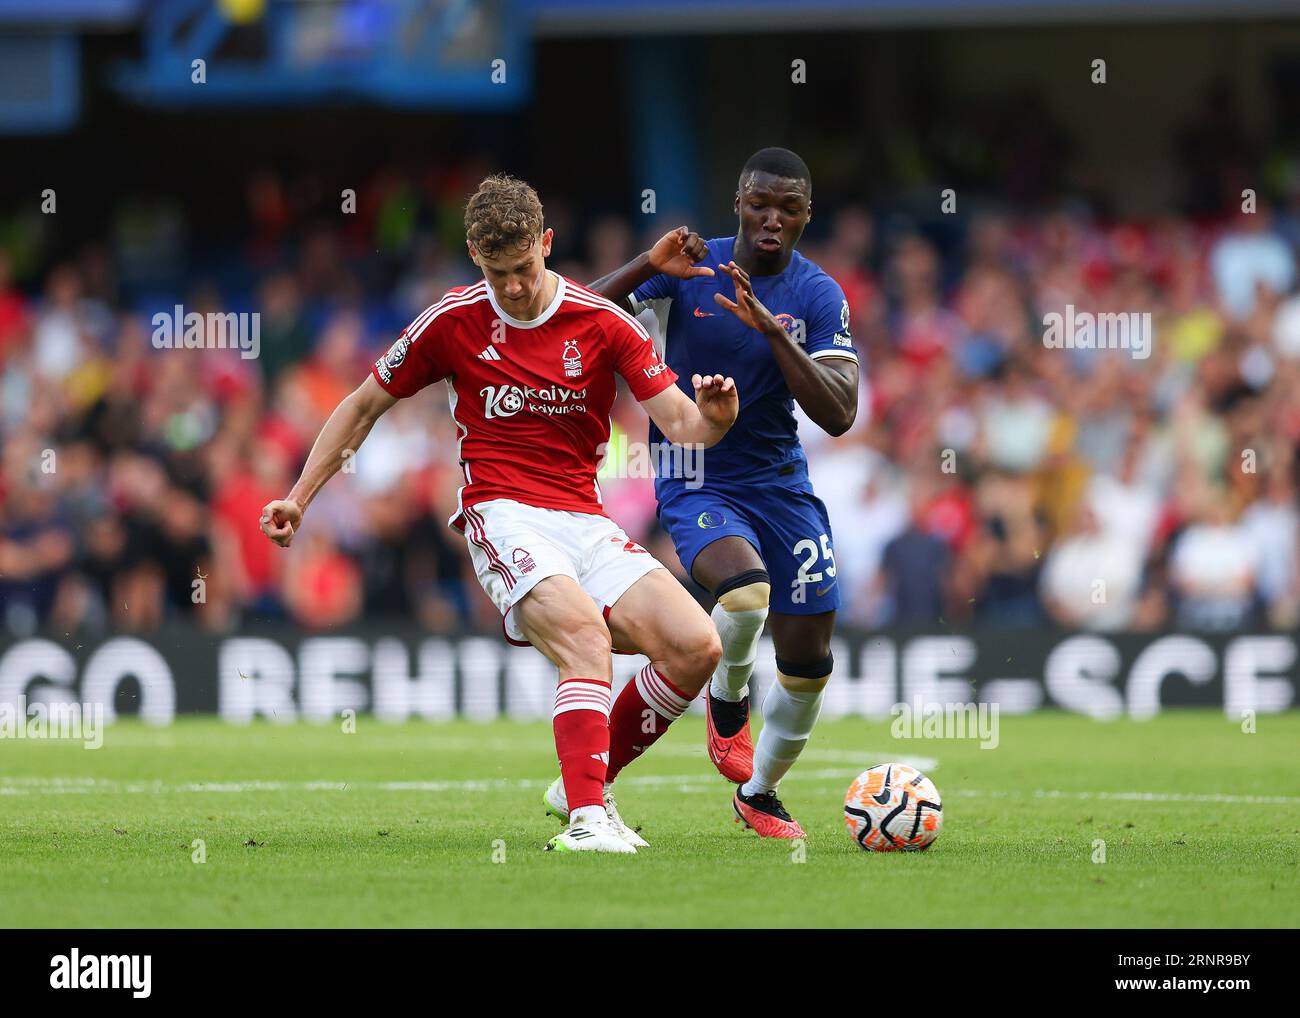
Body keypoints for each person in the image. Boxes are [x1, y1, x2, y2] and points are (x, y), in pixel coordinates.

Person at [259, 175, 739, 854]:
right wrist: (298, 497)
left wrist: (716, 420)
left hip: (584, 520)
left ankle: (584, 783)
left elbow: (683, 423)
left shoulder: (604, 324)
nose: (512, 288)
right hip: (502, 513)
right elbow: (363, 405)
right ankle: (586, 822)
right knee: (586, 641)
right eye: (496, 273)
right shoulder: (450, 321)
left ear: (546, 244)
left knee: (698, 647)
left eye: (523, 269)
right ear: (473, 257)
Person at [590, 148, 859, 837]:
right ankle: (729, 694)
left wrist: (772, 332)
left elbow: (839, 411)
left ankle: (759, 794)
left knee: (807, 667)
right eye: (760, 203)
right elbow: (580, 315)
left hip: (780, 483)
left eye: (788, 208)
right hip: (695, 469)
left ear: (806, 214)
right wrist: (647, 266)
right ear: (738, 200)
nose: (772, 219)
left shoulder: (818, 296)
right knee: (742, 593)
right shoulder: (686, 264)